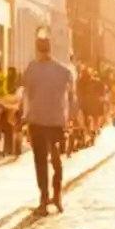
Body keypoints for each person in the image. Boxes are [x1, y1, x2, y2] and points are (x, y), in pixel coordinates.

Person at [20, 28, 75, 215]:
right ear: (50, 49)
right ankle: (57, 195)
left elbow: (27, 94)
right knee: (56, 158)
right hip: (57, 121)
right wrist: (70, 118)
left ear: (37, 50)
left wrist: (24, 116)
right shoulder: (63, 71)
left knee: (41, 161)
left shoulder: (31, 69)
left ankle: (44, 199)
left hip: (37, 120)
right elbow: (71, 96)